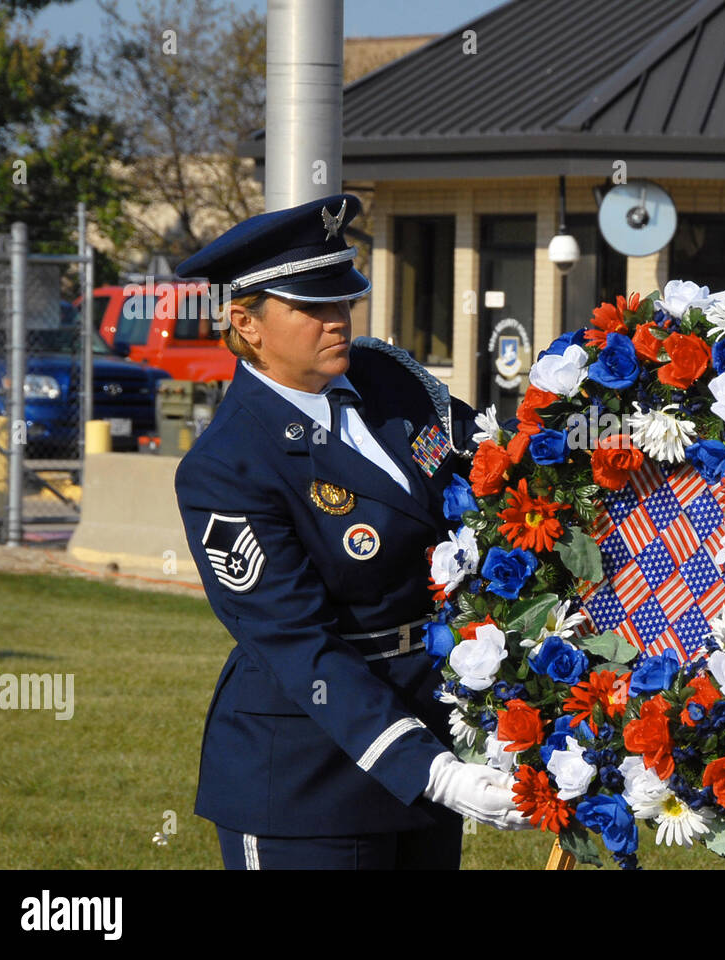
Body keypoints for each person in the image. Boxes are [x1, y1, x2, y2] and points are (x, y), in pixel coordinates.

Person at [173, 193, 528, 870]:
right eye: (311, 308)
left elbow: (493, 476)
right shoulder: (227, 466)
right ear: (245, 323)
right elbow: (297, 643)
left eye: (342, 301)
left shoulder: (389, 382)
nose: (337, 320)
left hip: (428, 726)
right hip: (306, 776)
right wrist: (432, 770)